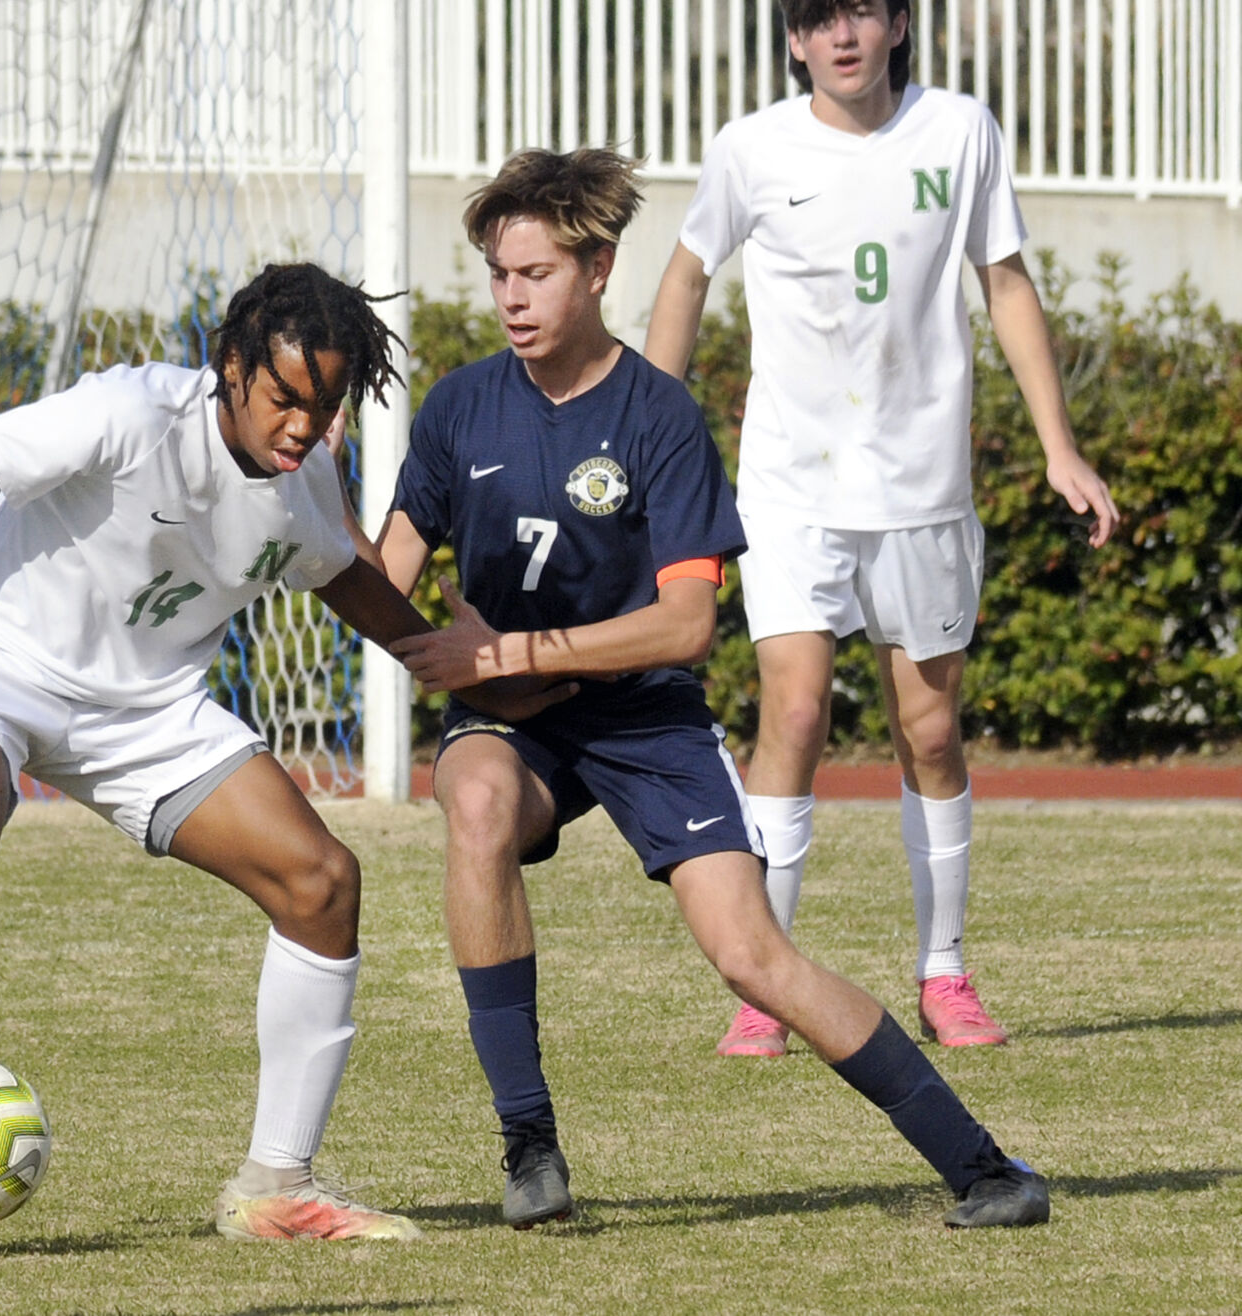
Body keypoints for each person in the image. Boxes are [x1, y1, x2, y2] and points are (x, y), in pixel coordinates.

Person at [0, 262, 553, 1242]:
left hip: (144, 713)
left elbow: (367, 599)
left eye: (324, 404)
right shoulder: (129, 412)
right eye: (284, 398)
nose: (302, 426)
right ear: (232, 367)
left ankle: (274, 1182)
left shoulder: (305, 487)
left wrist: (505, 674)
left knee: (322, 880)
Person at [373, 146, 1050, 1230]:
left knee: (749, 954)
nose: (510, 297)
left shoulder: (659, 417)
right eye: (499, 274)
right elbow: (388, 574)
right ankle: (529, 1143)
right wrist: (298, 539)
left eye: (535, 273)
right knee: (478, 803)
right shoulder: (458, 410)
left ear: (597, 269)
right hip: (507, 725)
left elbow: (685, 624)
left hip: (644, 713)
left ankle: (983, 1166)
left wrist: (511, 655)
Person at [643, 0, 1119, 1058]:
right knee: (796, 712)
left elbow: (1004, 283)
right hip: (789, 491)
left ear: (898, 24)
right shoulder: (750, 148)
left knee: (932, 732)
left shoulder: (960, 129)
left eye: (861, 11)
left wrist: (1059, 445)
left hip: (920, 488)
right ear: (793, 40)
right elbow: (684, 277)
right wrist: (646, 431)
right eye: (817, 19)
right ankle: (765, 981)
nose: (841, 35)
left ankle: (944, 970)